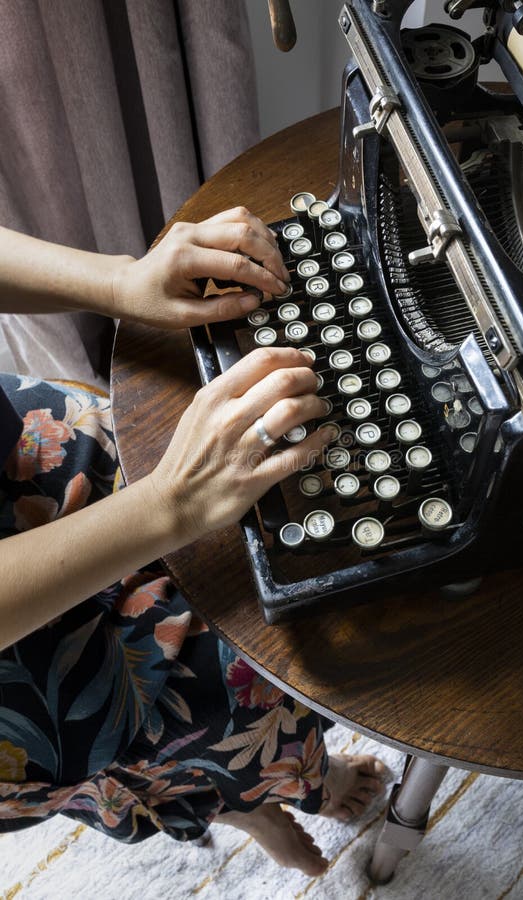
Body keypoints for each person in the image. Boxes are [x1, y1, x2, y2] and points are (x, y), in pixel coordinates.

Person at [0, 208, 386, 877]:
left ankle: (230, 794)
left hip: (24, 457)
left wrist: (121, 280)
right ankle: (252, 796)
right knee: (232, 696)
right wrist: (167, 504)